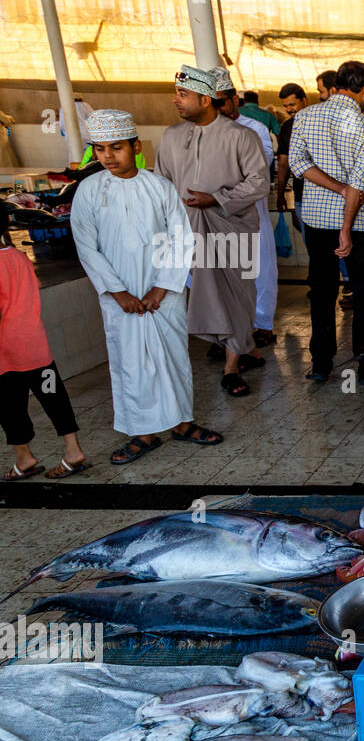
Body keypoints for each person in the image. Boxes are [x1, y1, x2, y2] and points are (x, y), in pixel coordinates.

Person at [69, 110, 223, 466]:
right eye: (100, 149)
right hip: (119, 297)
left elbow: (181, 239)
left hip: (162, 294)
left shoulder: (159, 187)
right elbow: (86, 246)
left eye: (117, 147)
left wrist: (162, 286)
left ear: (136, 147)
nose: (108, 156)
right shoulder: (89, 190)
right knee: (130, 361)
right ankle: (143, 433)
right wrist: (116, 291)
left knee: (172, 357)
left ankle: (183, 423)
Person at [155, 65, 269, 398]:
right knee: (209, 292)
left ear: (206, 100)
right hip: (189, 229)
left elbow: (259, 182)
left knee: (239, 293)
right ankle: (247, 348)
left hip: (234, 227)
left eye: (183, 94)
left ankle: (231, 367)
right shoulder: (171, 136)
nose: (176, 100)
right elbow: (162, 183)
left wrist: (217, 198)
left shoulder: (240, 136)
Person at [289, 61, 364, 381]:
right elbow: (358, 185)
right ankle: (363, 362)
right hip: (358, 225)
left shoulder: (304, 117)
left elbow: (299, 165)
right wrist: (346, 229)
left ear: (335, 85)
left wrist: (334, 187)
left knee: (322, 290)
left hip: (315, 220)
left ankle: (320, 363)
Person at [2, 206, 87, 479]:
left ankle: (24, 457)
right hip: (37, 348)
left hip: (7, 355)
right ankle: (73, 450)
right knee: (54, 396)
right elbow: (33, 288)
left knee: (10, 406)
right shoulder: (18, 256)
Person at [214, 68, 280, 348]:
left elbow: (257, 169)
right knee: (223, 274)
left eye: (223, 101)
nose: (219, 108)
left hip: (252, 212)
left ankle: (262, 324)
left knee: (261, 270)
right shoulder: (202, 133)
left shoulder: (255, 129)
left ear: (235, 101)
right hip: (217, 216)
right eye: (212, 102)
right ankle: (228, 334)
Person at [275, 83, 308, 235]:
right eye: (285, 106)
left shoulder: (319, 122)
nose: (289, 109)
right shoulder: (287, 127)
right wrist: (280, 194)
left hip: (329, 194)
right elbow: (283, 164)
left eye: (292, 104)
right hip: (301, 194)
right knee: (310, 243)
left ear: (304, 100)